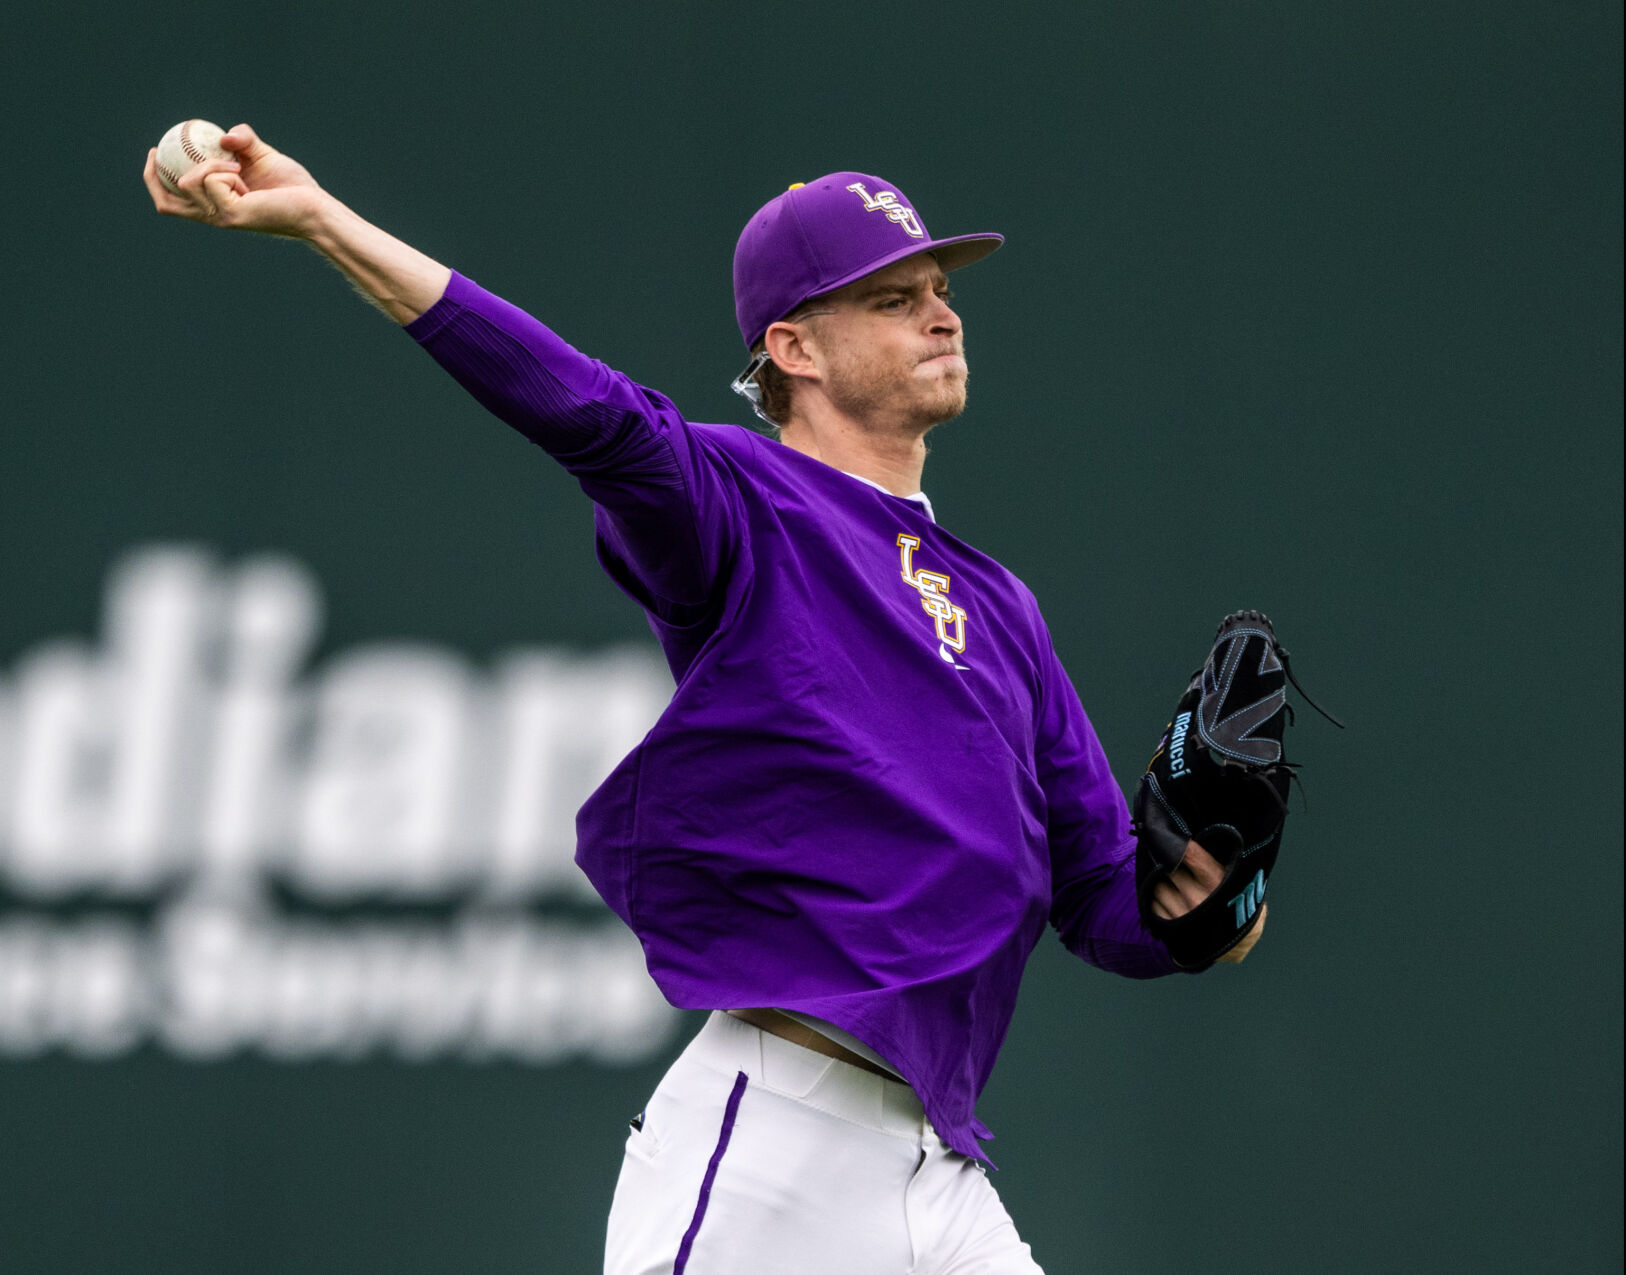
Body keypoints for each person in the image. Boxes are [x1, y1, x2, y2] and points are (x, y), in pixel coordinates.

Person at [144, 126, 1264, 1274]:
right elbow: (582, 410)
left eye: (938, 290)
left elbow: (1100, 898)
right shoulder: (742, 501)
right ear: (796, 347)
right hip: (777, 1148)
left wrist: (1214, 904)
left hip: (944, 1171)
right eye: (891, 299)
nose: (942, 314)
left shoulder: (1001, 609)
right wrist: (326, 219)